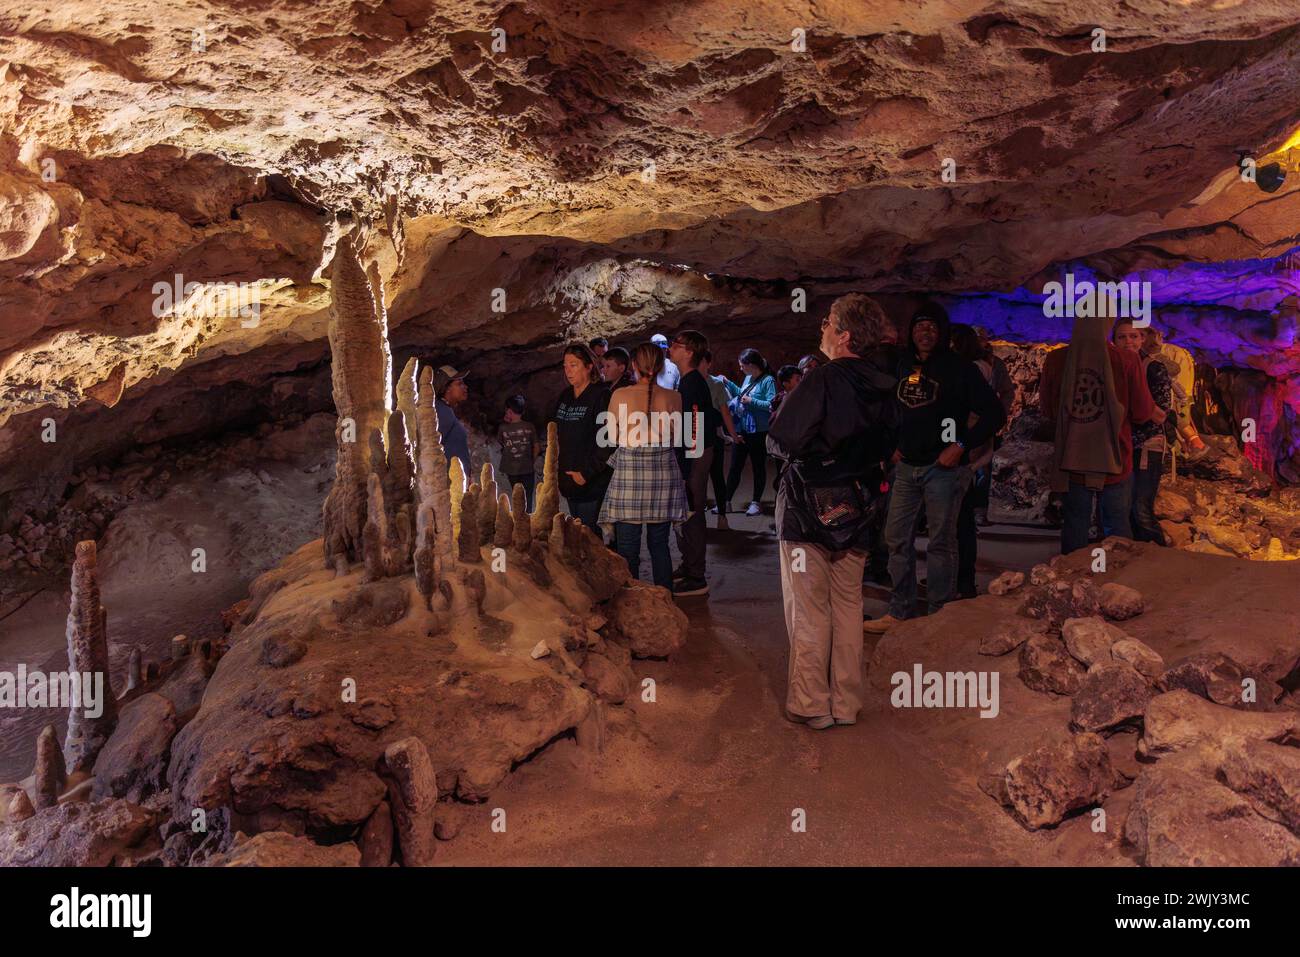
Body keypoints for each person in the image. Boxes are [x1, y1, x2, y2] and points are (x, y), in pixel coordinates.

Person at [768, 294, 897, 729]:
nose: (820, 327)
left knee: (809, 607)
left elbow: (782, 438)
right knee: (847, 607)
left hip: (809, 512)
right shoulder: (884, 384)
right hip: (858, 510)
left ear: (842, 335)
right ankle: (846, 703)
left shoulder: (822, 380)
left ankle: (810, 703)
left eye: (827, 322)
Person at [864, 302, 1005, 634]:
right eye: (919, 327)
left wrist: (960, 446)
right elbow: (884, 410)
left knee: (941, 541)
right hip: (906, 467)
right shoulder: (900, 366)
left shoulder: (960, 369)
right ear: (911, 333)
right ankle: (901, 610)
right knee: (897, 537)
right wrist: (891, 447)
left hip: (942, 468)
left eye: (931, 327)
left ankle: (941, 613)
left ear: (941, 333)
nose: (924, 333)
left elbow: (993, 414)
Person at [1038, 316, 1155, 554]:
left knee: (1075, 524)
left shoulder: (1056, 359)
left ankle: (1072, 579)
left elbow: (1048, 410)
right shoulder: (1127, 360)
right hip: (1115, 455)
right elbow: (1143, 412)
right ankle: (1117, 581)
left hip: (1072, 458)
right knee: (1116, 524)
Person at [598, 343, 689, 590]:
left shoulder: (619, 395)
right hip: (663, 475)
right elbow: (680, 437)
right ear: (661, 366)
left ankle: (632, 600)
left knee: (628, 547)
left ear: (634, 366)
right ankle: (664, 599)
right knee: (660, 545)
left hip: (629, 474)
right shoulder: (675, 397)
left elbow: (612, 436)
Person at [668, 330, 720, 596]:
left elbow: (696, 425)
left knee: (692, 512)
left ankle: (696, 576)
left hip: (695, 456)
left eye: (676, 345)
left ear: (689, 352)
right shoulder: (688, 380)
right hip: (694, 453)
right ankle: (689, 564)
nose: (671, 347)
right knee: (687, 512)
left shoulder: (692, 383)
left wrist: (686, 468)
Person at [949, 324, 998, 599]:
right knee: (961, 517)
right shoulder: (984, 365)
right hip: (972, 443)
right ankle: (961, 580)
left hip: (966, 444)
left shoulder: (973, 369)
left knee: (960, 519)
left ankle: (962, 581)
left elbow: (982, 410)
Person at [1115, 319, 1171, 545]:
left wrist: (1136, 396)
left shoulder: (1154, 369)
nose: (1128, 341)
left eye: (1134, 336)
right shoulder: (1112, 367)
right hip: (1120, 445)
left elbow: (1161, 414)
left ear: (1142, 339)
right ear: (1114, 341)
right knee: (1122, 507)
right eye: (1122, 337)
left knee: (1141, 508)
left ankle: (1157, 558)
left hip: (1145, 444)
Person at [553, 344, 614, 529]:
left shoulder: (601, 396)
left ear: (588, 367)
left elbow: (607, 441)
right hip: (568, 481)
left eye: (573, 365)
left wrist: (586, 474)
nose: (568, 371)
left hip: (591, 483)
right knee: (577, 533)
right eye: (565, 366)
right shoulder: (565, 396)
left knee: (592, 536)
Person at [721, 348, 777, 517]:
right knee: (734, 467)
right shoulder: (747, 378)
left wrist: (752, 401)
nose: (741, 369)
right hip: (743, 430)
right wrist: (728, 383)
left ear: (751, 365)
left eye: (742, 366)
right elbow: (742, 393)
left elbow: (771, 405)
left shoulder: (768, 381)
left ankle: (755, 503)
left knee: (758, 467)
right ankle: (726, 501)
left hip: (758, 432)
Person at [699, 349, 740, 530]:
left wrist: (732, 434)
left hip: (713, 437)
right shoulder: (686, 382)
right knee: (697, 479)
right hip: (694, 437)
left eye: (702, 362)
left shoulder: (716, 384)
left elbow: (724, 412)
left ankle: (722, 515)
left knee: (716, 476)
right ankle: (697, 518)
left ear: (709, 364)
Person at [498, 394, 540, 511]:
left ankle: (518, 520)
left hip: (511, 469)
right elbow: (536, 447)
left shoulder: (503, 428)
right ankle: (527, 519)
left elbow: (502, 444)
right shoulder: (530, 426)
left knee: (517, 496)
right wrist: (531, 460)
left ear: (509, 411)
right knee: (528, 497)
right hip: (527, 468)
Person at [433, 364, 472, 477]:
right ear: (447, 388)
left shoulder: (445, 409)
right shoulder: (441, 411)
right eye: (459, 384)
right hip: (449, 482)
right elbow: (434, 447)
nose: (465, 387)